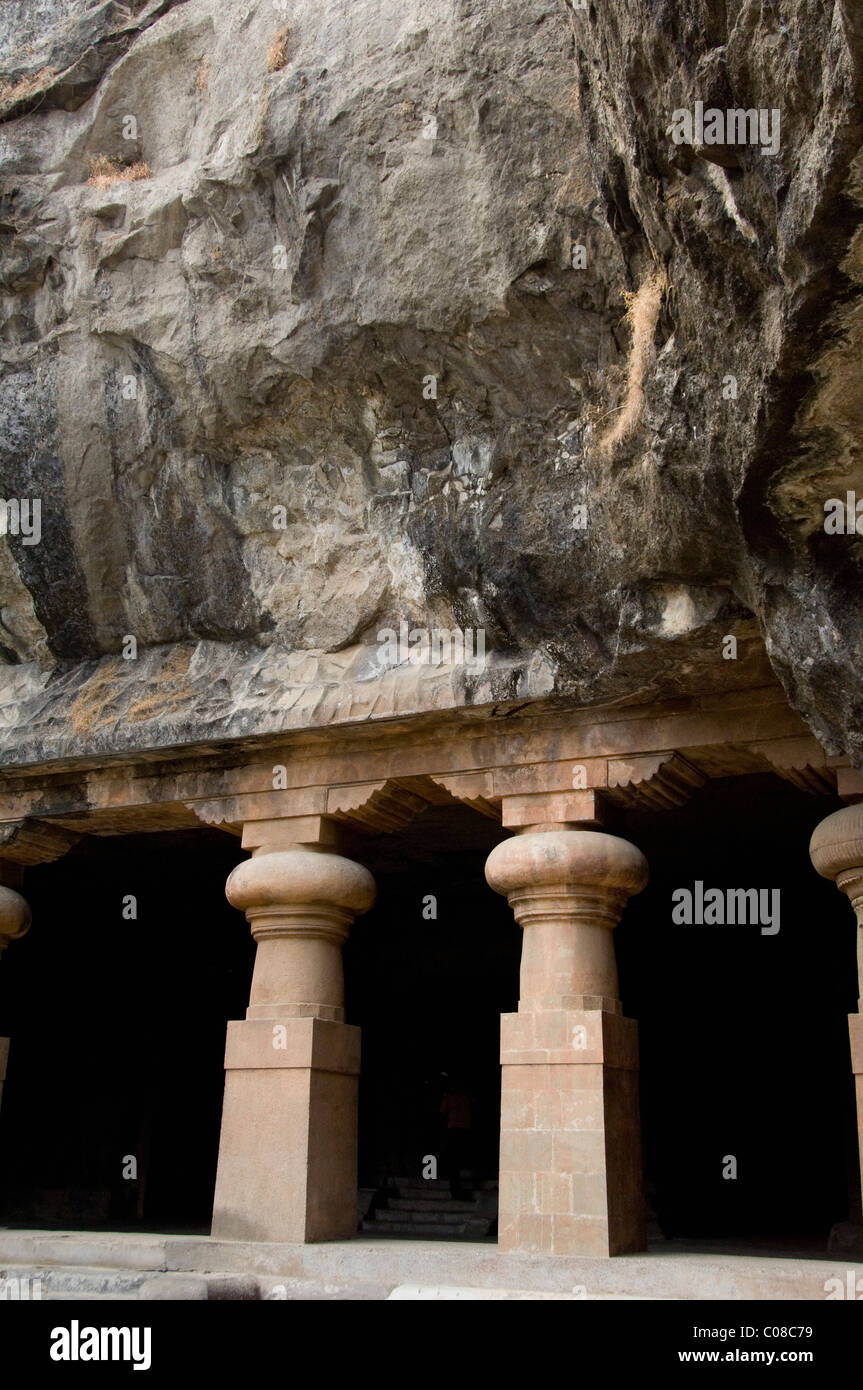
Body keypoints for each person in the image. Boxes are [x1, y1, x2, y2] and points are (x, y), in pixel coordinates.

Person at [439, 1075, 473, 1201]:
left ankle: (455, 1187)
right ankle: (456, 1187)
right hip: (460, 1129)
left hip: (456, 1130)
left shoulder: (453, 1097)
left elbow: (442, 1114)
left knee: (454, 1160)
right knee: (455, 1160)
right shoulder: (462, 1097)